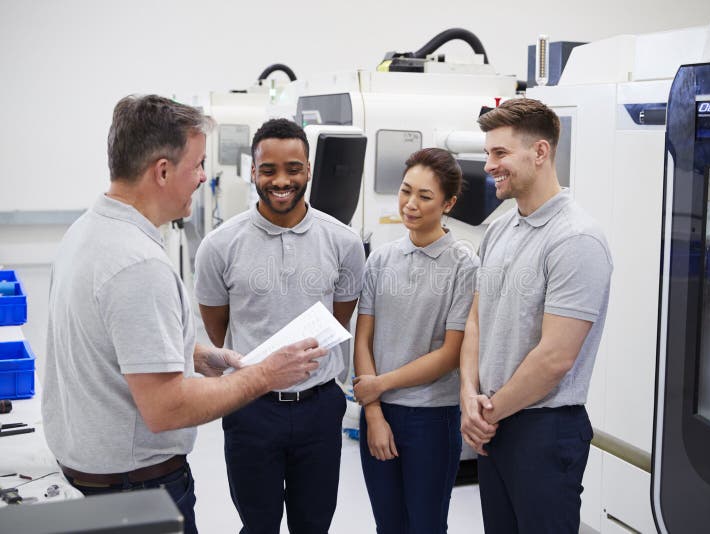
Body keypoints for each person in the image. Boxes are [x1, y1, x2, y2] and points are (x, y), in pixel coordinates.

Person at [42, 95, 328, 534]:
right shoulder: (138, 264)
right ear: (161, 171)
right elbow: (166, 407)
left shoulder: (89, 230)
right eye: (196, 165)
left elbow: (111, 341)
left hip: (96, 479)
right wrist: (265, 375)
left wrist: (192, 354)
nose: (201, 177)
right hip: (134, 491)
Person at [194, 118, 365, 534]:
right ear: (252, 172)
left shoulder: (343, 242)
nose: (281, 180)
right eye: (268, 170)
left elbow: (338, 318)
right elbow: (219, 331)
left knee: (314, 523)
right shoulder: (219, 245)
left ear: (308, 170)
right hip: (251, 409)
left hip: (320, 409)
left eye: (293, 168)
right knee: (258, 524)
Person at [459, 98, 613, 534]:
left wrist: (486, 414)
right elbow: (476, 320)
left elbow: (555, 358)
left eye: (499, 153)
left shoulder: (576, 239)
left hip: (544, 431)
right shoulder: (501, 229)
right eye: (489, 153)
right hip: (494, 424)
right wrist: (469, 396)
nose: (489, 165)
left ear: (540, 152)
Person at [352, 147, 478, 534]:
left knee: (425, 525)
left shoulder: (463, 264)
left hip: (431, 419)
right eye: (407, 191)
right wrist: (374, 414)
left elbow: (451, 354)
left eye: (425, 196)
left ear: (448, 203)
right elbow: (363, 339)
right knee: (388, 525)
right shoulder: (381, 260)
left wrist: (379, 385)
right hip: (379, 413)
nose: (410, 204)